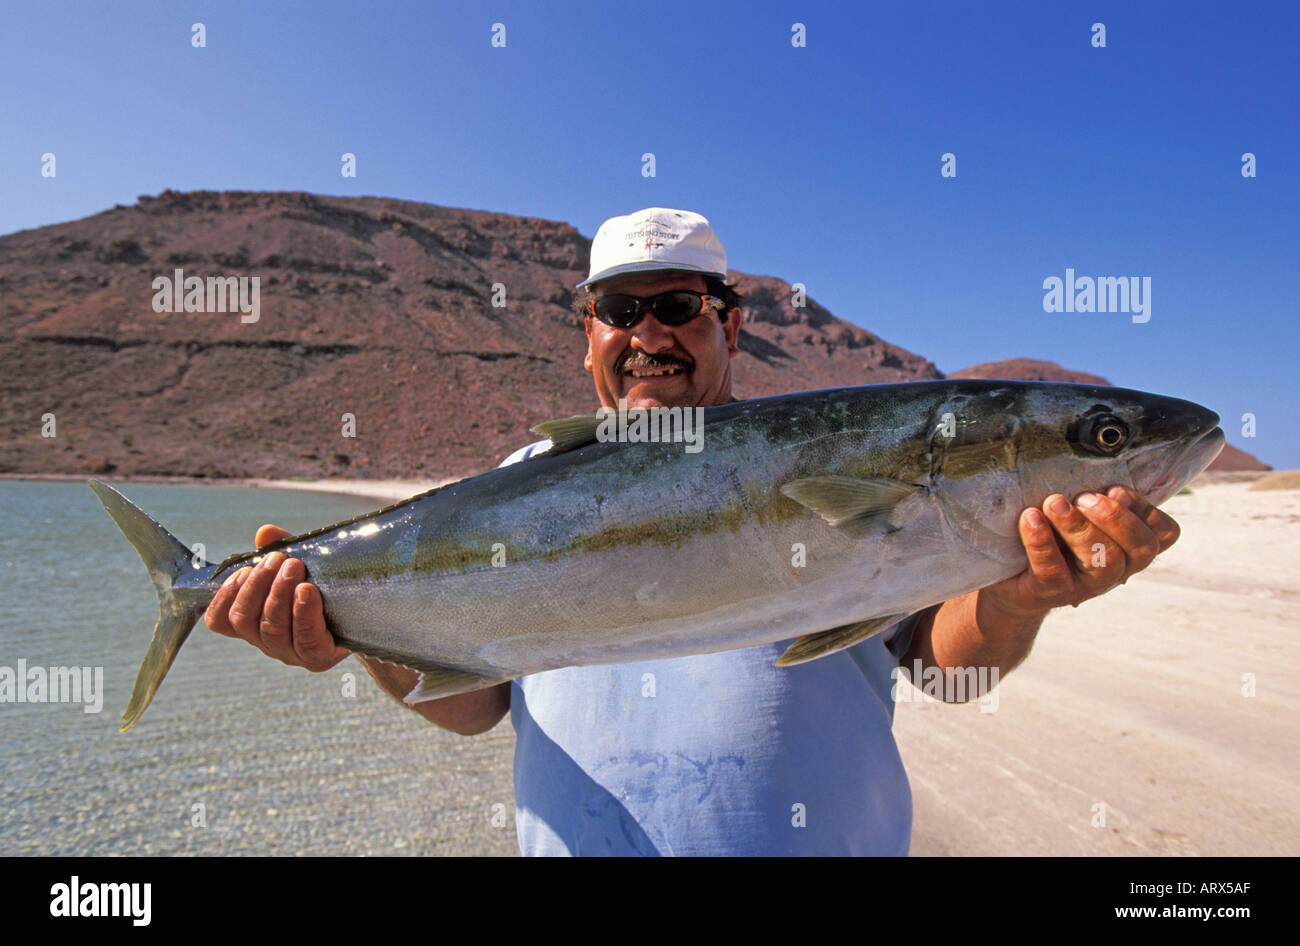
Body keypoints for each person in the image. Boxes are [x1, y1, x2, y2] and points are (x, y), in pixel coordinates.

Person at [203, 207, 1183, 855]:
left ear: (729, 322)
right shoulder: (510, 490)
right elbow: (470, 706)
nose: (651, 332)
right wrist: (353, 637)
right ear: (587, 329)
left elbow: (940, 669)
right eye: (619, 310)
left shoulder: (896, 488)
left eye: (680, 307)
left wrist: (1021, 595)